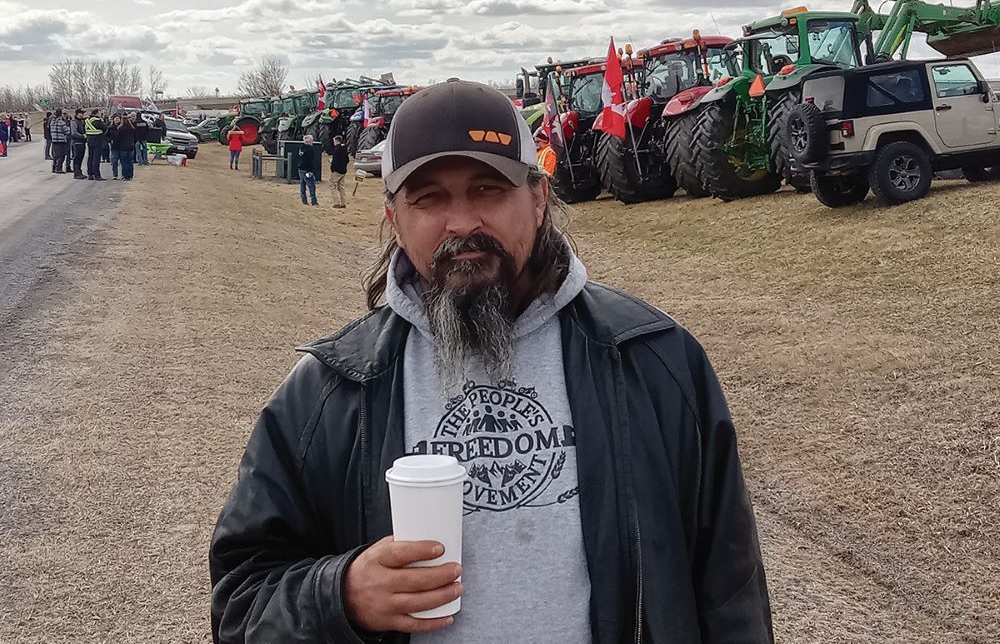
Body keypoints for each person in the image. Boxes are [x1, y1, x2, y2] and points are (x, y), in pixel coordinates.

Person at [209, 80, 773, 643]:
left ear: (538, 197)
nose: (461, 223)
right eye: (427, 197)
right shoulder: (329, 392)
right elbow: (240, 599)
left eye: (488, 188)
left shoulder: (654, 360)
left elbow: (730, 591)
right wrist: (341, 594)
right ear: (393, 218)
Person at [108, 113, 136, 181]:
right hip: (131, 147)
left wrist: (115, 143)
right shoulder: (132, 128)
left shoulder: (120, 129)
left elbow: (118, 139)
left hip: (123, 147)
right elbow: (135, 137)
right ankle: (130, 175)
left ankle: (125, 176)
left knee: (124, 162)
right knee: (130, 161)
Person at [84, 108, 107, 180]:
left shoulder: (87, 121)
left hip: (89, 140)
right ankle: (97, 175)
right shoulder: (98, 121)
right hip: (98, 140)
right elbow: (105, 128)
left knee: (90, 157)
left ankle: (90, 174)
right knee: (96, 158)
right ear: (96, 113)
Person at [298, 134, 318, 206]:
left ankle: (304, 200)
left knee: (302, 185)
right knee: (311, 185)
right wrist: (310, 171)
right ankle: (314, 201)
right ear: (309, 141)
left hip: (300, 169)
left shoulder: (301, 148)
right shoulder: (310, 150)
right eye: (312, 141)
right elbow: (310, 162)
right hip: (307, 170)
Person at [329, 133, 349, 207]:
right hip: (343, 171)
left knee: (332, 185)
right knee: (341, 187)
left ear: (337, 141)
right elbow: (347, 160)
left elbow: (335, 161)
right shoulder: (344, 149)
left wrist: (332, 168)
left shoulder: (337, 150)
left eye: (334, 141)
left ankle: (336, 202)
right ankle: (343, 203)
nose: (333, 143)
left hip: (336, 171)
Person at [49, 108, 71, 173]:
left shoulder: (52, 122)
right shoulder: (61, 122)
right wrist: (68, 127)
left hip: (54, 140)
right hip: (61, 140)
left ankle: (54, 167)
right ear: (61, 114)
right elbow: (67, 131)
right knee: (62, 155)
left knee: (56, 155)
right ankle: (59, 168)